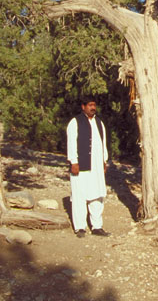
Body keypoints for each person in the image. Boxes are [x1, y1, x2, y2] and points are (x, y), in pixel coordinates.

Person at [66, 96, 109, 238]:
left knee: (97, 195)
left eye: (94, 105)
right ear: (83, 106)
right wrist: (74, 161)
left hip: (96, 166)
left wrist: (104, 160)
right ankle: (80, 228)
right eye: (90, 105)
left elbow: (103, 144)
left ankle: (97, 226)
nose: (93, 108)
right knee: (80, 195)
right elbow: (71, 142)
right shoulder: (75, 122)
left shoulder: (99, 123)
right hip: (81, 165)